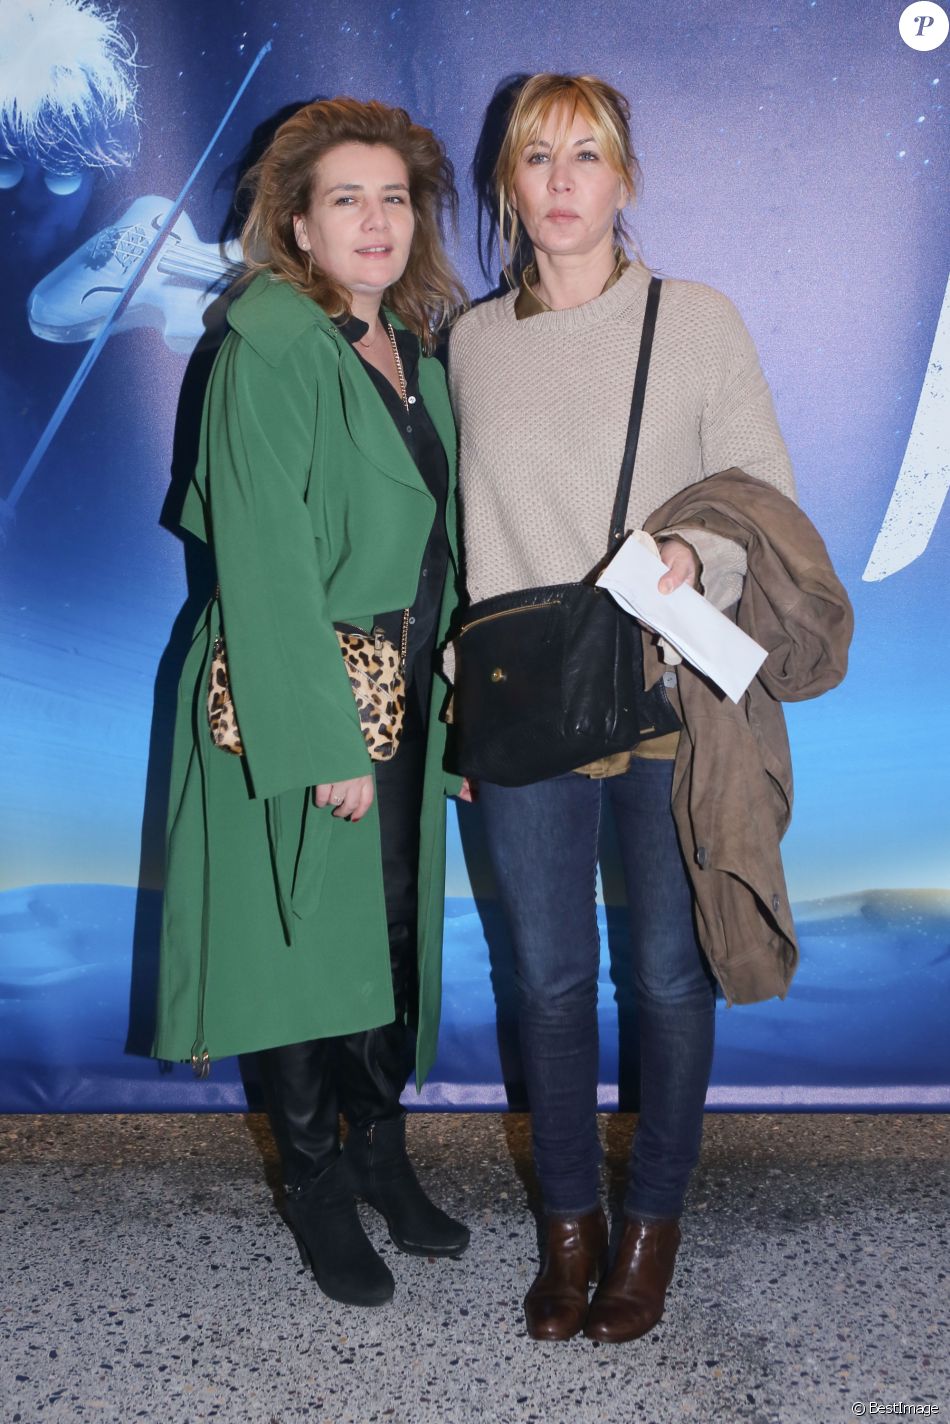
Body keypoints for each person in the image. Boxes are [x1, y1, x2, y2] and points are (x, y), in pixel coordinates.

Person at [448, 73, 800, 1343]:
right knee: (543, 980)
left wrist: (693, 564)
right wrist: (460, 701)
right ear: (507, 182)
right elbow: (468, 543)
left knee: (663, 973)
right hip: (526, 714)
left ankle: (648, 1228)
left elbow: (763, 496)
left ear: (623, 179)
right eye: (534, 157)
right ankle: (568, 1230)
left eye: (584, 155)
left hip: (661, 693)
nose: (558, 181)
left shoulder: (693, 320)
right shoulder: (472, 341)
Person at [152, 98, 471, 1308]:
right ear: (294, 219)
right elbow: (265, 557)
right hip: (301, 699)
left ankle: (378, 1149)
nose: (375, 219)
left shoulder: (415, 356)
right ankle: (316, 1187)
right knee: (297, 942)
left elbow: (439, 545)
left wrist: (456, 689)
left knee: (385, 931)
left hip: (408, 696)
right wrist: (322, 736)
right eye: (346, 197)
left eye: (393, 196)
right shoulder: (271, 344)